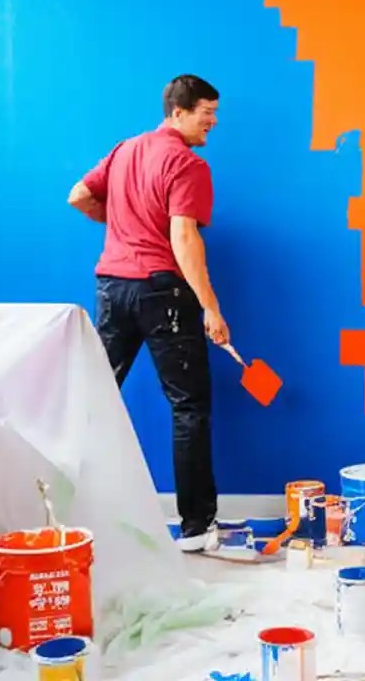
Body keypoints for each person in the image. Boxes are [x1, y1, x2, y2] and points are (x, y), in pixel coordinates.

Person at [67, 74, 229, 552]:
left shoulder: (125, 150)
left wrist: (119, 221)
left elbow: (78, 195)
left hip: (112, 287)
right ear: (179, 112)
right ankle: (196, 528)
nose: (213, 123)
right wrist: (211, 308)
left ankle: (65, 514)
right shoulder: (188, 164)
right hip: (162, 294)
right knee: (189, 407)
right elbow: (184, 239)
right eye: (206, 113)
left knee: (92, 398)